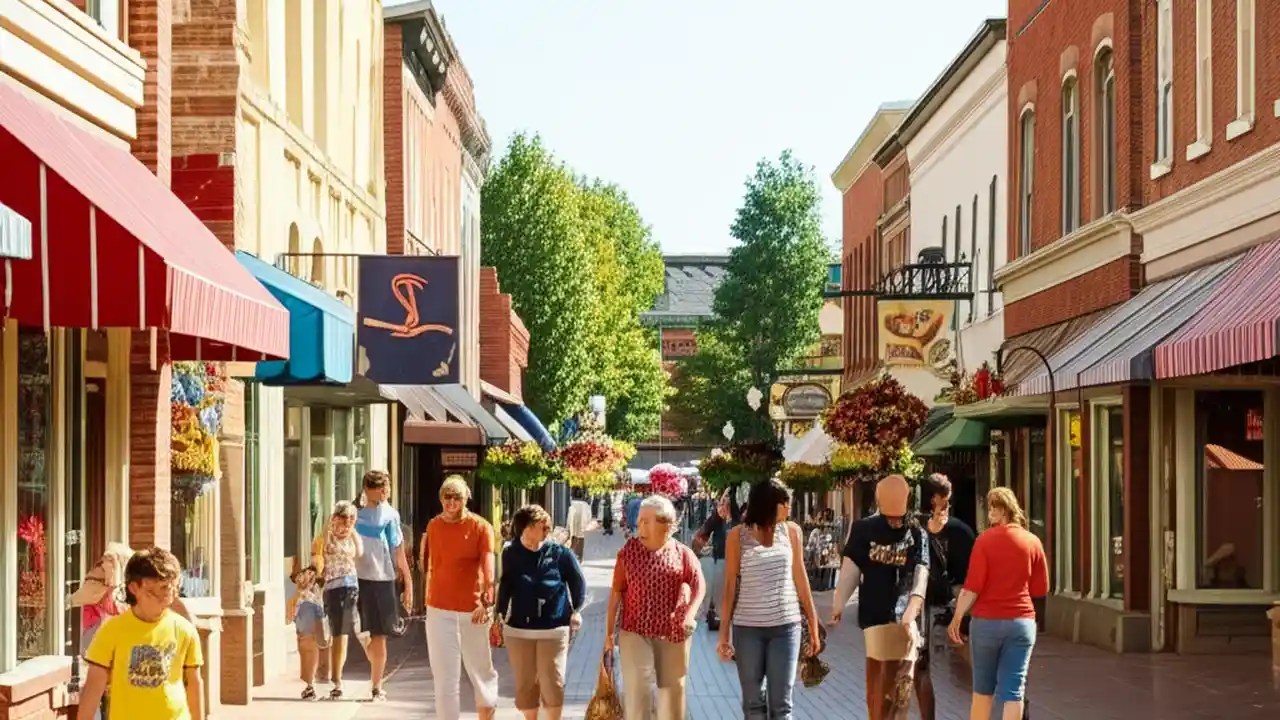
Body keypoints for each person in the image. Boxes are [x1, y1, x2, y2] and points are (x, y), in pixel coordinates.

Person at [717, 479, 823, 719]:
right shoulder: (737, 536)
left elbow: (801, 580)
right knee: (753, 703)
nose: (789, 508)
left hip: (786, 628)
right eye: (785, 503)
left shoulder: (792, 532)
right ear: (770, 505)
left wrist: (813, 625)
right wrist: (724, 635)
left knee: (781, 705)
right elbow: (730, 587)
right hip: (748, 629)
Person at [831, 475, 931, 720]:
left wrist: (911, 611)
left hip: (896, 620)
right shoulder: (870, 529)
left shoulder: (914, 532)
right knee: (885, 684)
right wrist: (839, 602)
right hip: (882, 619)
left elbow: (921, 573)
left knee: (893, 685)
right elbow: (852, 568)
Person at [947, 487, 1048, 720]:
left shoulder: (984, 541)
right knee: (1014, 690)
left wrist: (957, 617)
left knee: (983, 689)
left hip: (986, 623)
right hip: (1022, 624)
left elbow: (972, 588)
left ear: (1005, 510)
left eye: (994, 507)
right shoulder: (1033, 542)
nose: (990, 511)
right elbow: (1040, 589)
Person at [604, 495, 704, 720]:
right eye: (639, 520)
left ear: (666, 524)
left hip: (672, 633)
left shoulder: (682, 553)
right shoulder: (628, 553)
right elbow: (616, 593)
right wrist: (609, 634)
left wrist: (689, 615)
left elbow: (699, 586)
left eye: (645, 520)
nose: (639, 525)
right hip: (634, 631)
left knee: (671, 695)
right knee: (638, 691)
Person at [76, 547, 204, 720]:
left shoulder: (184, 630)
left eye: (172, 589)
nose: (168, 597)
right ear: (134, 588)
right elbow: (93, 687)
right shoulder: (111, 631)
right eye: (161, 589)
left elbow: (194, 685)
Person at [496, 505, 587, 720]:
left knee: (552, 682)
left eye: (548, 526)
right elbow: (506, 583)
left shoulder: (560, 553)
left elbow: (577, 582)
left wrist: (577, 610)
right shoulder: (510, 553)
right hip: (519, 629)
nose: (548, 530)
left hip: (554, 627)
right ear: (526, 529)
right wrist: (499, 613)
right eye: (542, 526)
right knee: (526, 684)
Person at [421, 475, 500, 720]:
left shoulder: (480, 527)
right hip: (438, 609)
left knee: (480, 672)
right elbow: (430, 565)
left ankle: (487, 715)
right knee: (445, 677)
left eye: (457, 497)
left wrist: (487, 601)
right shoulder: (434, 526)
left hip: (472, 609)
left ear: (466, 499)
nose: (451, 502)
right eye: (447, 496)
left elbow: (489, 565)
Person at [354, 470, 412, 702]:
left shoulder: (390, 515)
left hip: (383, 580)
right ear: (367, 489)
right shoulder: (354, 514)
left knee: (379, 635)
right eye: (380, 487)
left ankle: (376, 687)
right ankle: (374, 668)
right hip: (356, 579)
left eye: (387, 487)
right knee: (358, 630)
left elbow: (398, 552)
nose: (385, 492)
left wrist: (408, 583)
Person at [310, 501, 364, 700]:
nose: (347, 522)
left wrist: (353, 530)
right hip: (331, 587)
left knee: (341, 633)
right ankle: (328, 675)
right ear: (335, 517)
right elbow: (318, 552)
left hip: (350, 585)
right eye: (344, 517)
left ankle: (337, 680)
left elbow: (360, 552)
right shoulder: (327, 536)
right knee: (331, 633)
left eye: (351, 518)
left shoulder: (352, 536)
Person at [690, 490, 736, 630]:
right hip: (722, 559)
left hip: (736, 561)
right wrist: (695, 552)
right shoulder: (716, 518)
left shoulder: (738, 518)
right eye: (721, 503)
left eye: (726, 503)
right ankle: (718, 617)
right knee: (721, 593)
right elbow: (702, 535)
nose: (723, 506)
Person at [287, 565, 330, 701]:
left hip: (309, 608)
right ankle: (310, 684)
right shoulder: (299, 593)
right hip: (308, 608)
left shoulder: (314, 588)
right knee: (309, 647)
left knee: (309, 647)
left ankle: (311, 685)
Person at [567, 488, 593, 561]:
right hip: (581, 525)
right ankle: (579, 558)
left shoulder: (572, 503)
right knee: (580, 541)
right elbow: (589, 517)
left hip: (573, 524)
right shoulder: (585, 505)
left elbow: (569, 516)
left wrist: (568, 526)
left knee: (573, 539)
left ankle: (571, 556)